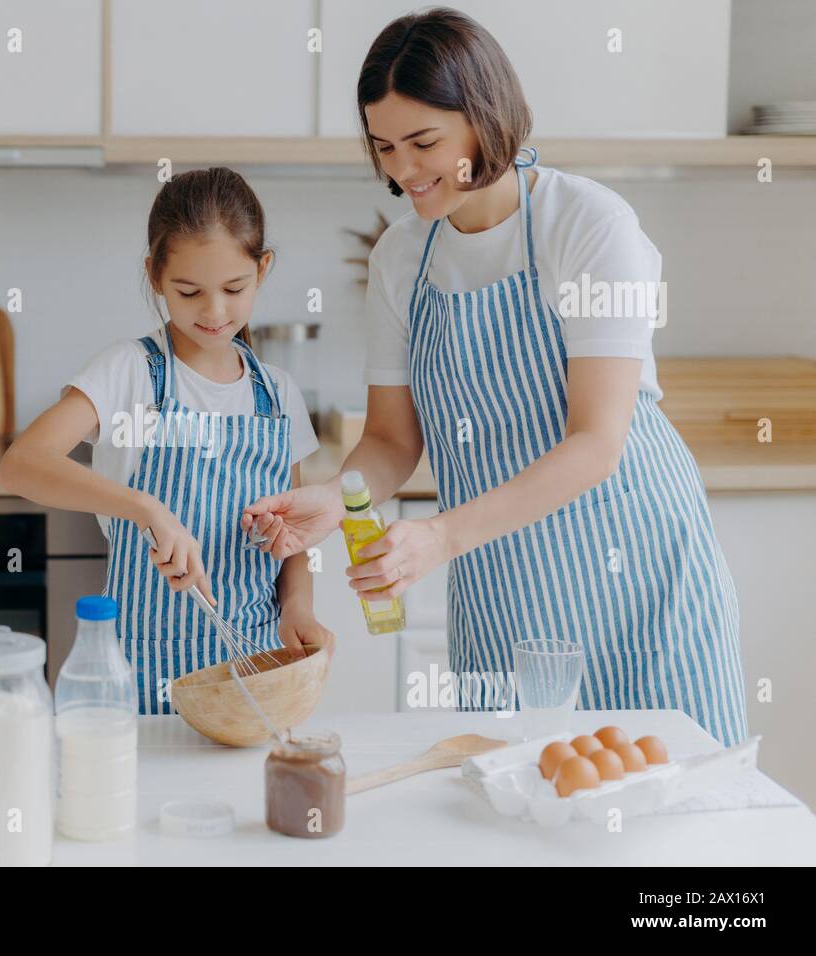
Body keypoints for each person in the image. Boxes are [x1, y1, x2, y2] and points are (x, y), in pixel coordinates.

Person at [243, 8, 747, 746]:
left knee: (670, 807)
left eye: (423, 142)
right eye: (383, 146)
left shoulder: (592, 227)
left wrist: (440, 537)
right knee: (517, 807)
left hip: (639, 576)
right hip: (507, 584)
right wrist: (332, 497)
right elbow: (389, 439)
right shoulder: (399, 259)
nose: (402, 170)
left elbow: (597, 442)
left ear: (484, 120)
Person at [0, 167, 330, 715]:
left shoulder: (278, 395)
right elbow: (21, 464)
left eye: (234, 289)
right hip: (144, 679)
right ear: (155, 275)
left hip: (251, 670)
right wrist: (146, 508)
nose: (214, 311)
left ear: (262, 270)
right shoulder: (129, 371)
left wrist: (299, 605)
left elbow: (292, 536)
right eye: (189, 291)